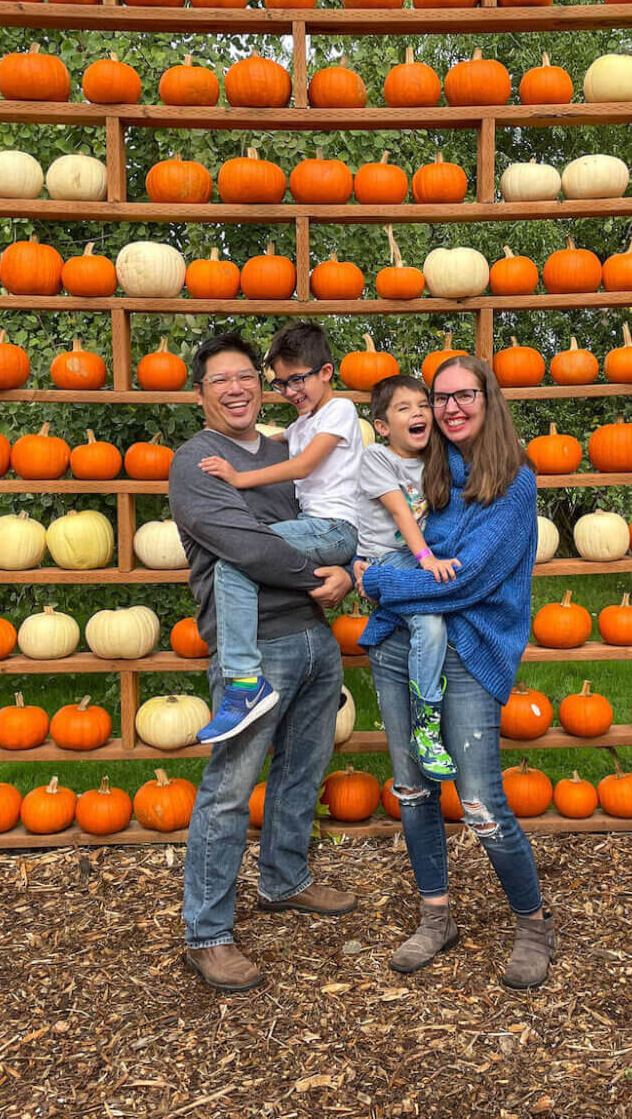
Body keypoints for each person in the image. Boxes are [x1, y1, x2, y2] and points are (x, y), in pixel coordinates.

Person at [356, 354, 555, 990]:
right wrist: (397, 579)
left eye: (463, 395)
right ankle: (435, 915)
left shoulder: (513, 482)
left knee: (479, 799)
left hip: (470, 650)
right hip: (399, 644)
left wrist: (377, 583)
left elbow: (465, 579)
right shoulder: (424, 472)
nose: (450, 408)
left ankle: (532, 925)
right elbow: (401, 547)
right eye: (440, 398)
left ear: (487, 398)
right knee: (412, 787)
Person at [169, 331, 355, 993]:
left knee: (303, 770)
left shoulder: (288, 450)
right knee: (229, 789)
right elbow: (241, 545)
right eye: (219, 380)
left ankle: (284, 879)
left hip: (313, 637)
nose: (236, 388)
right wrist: (321, 575)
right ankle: (209, 933)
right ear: (201, 395)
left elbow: (338, 515)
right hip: (254, 649)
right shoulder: (197, 462)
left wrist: (348, 574)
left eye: (245, 375)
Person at [196, 322, 363, 745]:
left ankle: (245, 683)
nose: (290, 391)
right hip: (320, 531)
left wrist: (238, 477)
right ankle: (252, 680)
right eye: (281, 383)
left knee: (234, 566)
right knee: (240, 562)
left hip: (333, 529)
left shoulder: (340, 410)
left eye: (298, 380)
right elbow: (276, 439)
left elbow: (302, 466)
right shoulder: (306, 420)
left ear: (326, 372)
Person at [355, 374, 460, 780]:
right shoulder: (378, 458)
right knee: (431, 625)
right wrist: (427, 559)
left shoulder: (438, 458)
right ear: (382, 426)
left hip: (416, 559)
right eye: (404, 409)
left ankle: (396, 613)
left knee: (437, 617)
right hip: (387, 559)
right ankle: (426, 729)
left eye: (422, 405)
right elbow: (401, 511)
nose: (417, 414)